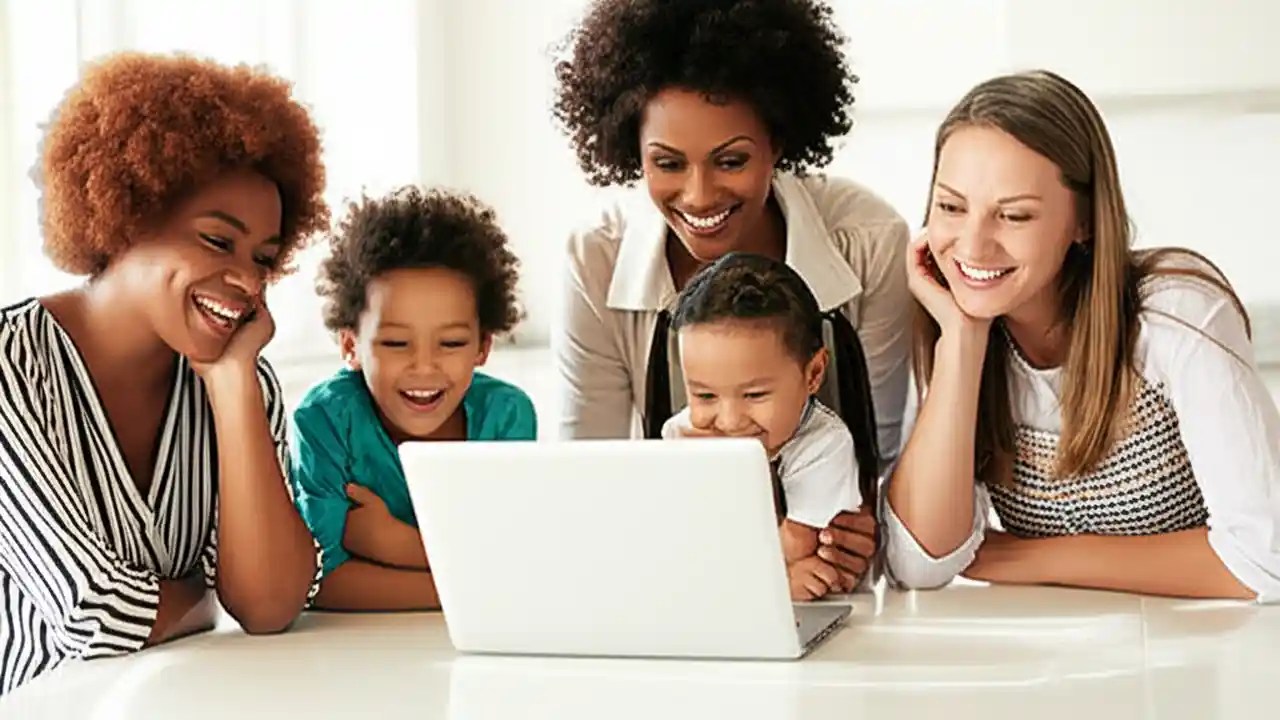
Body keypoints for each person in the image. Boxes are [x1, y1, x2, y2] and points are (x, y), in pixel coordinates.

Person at [883, 70, 1280, 603]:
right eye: (952, 208)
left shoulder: (1174, 314)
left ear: (1085, 221)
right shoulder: (947, 324)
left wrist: (1028, 556)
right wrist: (962, 337)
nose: (972, 246)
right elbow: (919, 561)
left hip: (1206, 654)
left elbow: (1265, 558)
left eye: (1014, 215)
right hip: (1066, 654)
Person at [0, 52, 329, 693]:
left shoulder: (240, 380)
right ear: (127, 214)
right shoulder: (11, 367)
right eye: (216, 241)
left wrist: (232, 385)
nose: (247, 280)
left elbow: (267, 607)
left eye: (263, 257)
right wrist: (208, 597)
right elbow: (92, 614)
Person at [551, 0, 902, 590]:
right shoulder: (596, 260)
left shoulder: (868, 244)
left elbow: (886, 466)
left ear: (779, 141)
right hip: (684, 586)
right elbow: (591, 488)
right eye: (666, 163)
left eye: (731, 160)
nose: (699, 195)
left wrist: (868, 531)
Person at [289, 186, 536, 611]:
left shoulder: (507, 416)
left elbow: (514, 565)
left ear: (483, 346)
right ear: (351, 345)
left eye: (452, 343)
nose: (424, 367)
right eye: (397, 343)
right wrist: (471, 589)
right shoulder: (324, 419)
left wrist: (396, 545)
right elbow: (319, 583)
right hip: (352, 651)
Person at [661, 252, 879, 599]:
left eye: (755, 394)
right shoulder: (681, 434)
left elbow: (800, 545)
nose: (730, 421)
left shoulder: (825, 443)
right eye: (704, 395)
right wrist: (770, 582)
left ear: (814, 374)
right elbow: (676, 542)